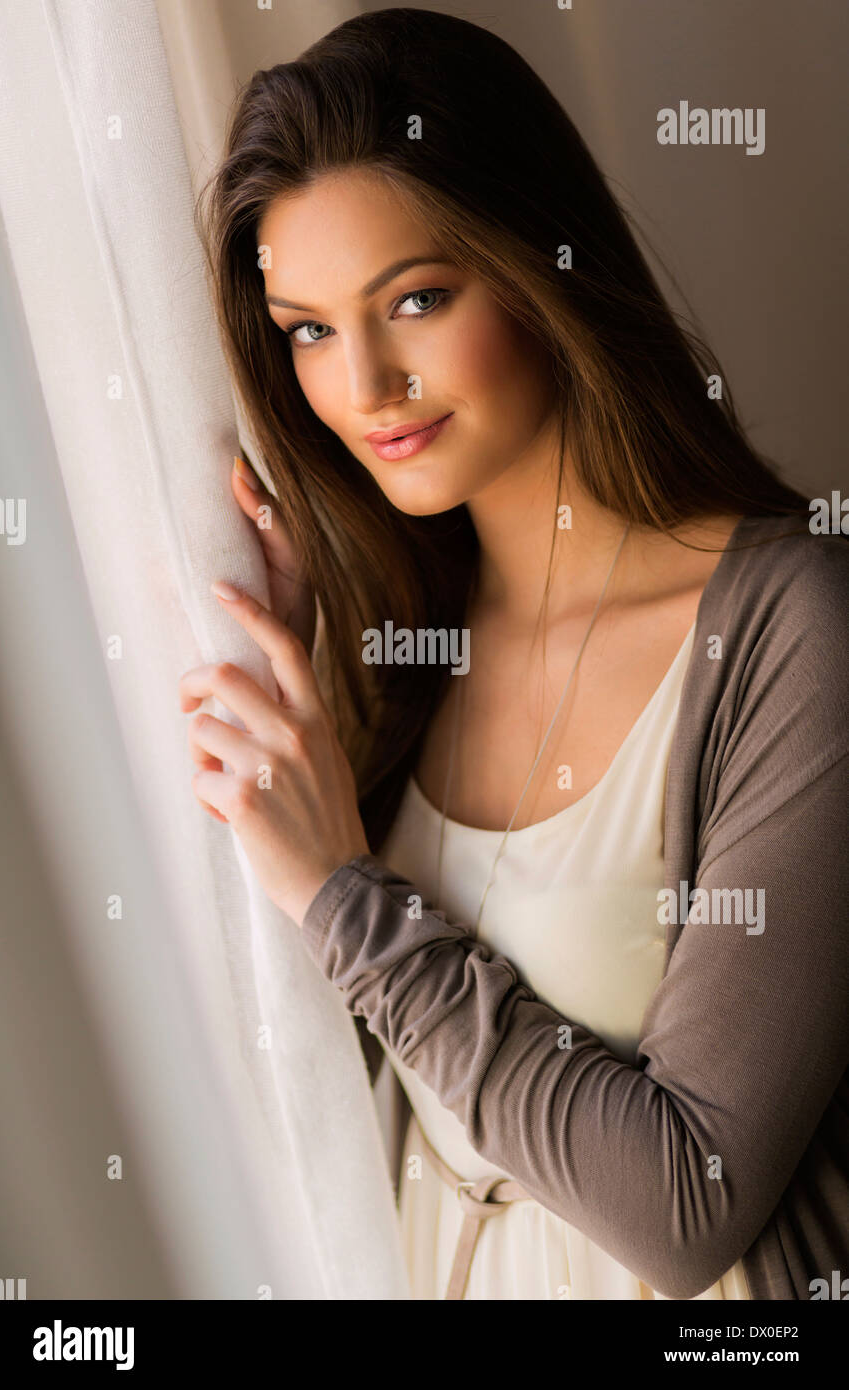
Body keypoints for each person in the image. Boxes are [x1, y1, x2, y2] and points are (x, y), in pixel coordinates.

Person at [183, 8, 849, 1299]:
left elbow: (686, 1196)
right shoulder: (395, 666)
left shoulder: (789, 631)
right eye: (308, 329)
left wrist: (344, 895)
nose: (365, 383)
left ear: (541, 266)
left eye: (415, 300)